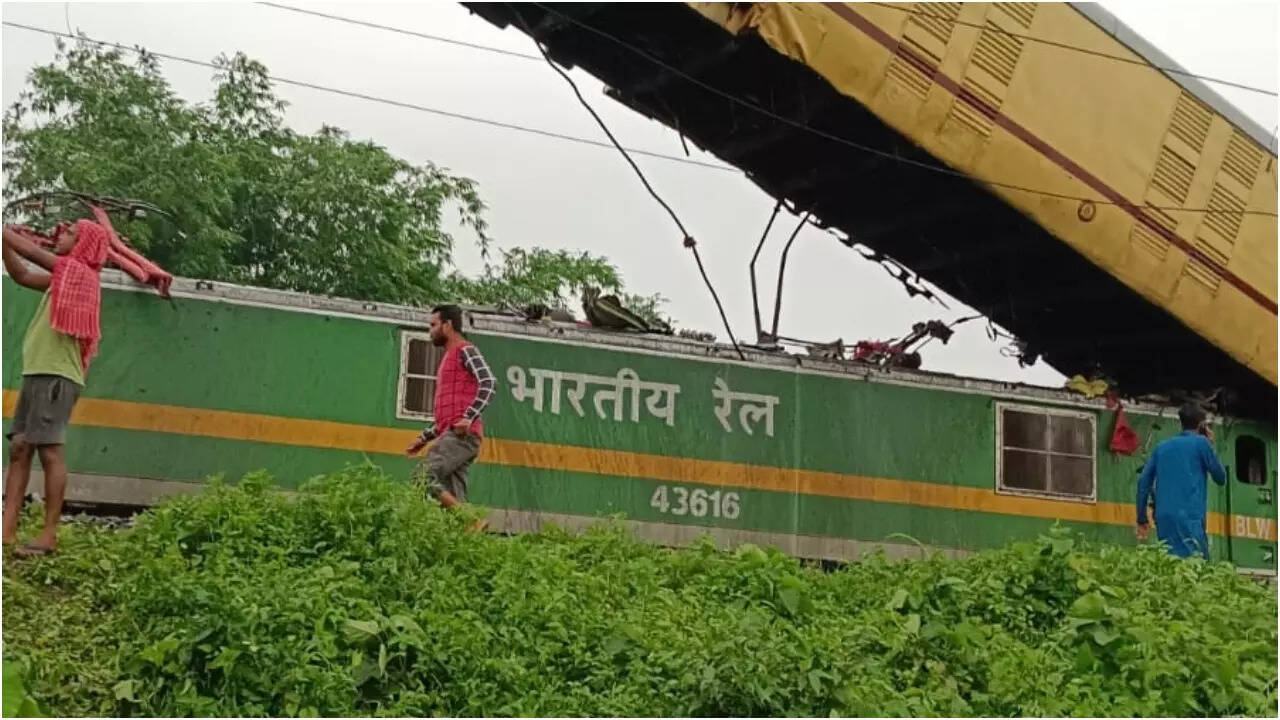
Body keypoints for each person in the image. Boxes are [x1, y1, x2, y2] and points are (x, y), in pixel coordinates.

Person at [3, 219, 111, 557]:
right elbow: (21, 274)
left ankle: (48, 536)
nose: (59, 236)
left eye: (69, 234)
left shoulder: (81, 276)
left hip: (56, 376)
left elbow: (33, 252)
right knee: (20, 448)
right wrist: (6, 244)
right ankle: (6, 531)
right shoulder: (61, 281)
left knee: (50, 451)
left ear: (83, 245)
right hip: (37, 372)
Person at [405, 304, 496, 529]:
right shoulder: (448, 359)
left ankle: (472, 521)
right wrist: (423, 438)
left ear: (448, 325)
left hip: (462, 436)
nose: (430, 331)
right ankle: (467, 536)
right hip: (456, 434)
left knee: (422, 476)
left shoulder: (466, 350)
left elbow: (489, 382)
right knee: (455, 502)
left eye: (433, 325)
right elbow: (446, 418)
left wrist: (469, 417)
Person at [1135, 402, 1227, 559]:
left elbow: (1143, 481)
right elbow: (1220, 477)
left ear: (1180, 423)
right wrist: (1210, 445)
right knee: (1196, 567)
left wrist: (1142, 518)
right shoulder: (1202, 444)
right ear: (1202, 424)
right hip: (1189, 517)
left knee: (1170, 565)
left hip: (1163, 518)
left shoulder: (1161, 447)